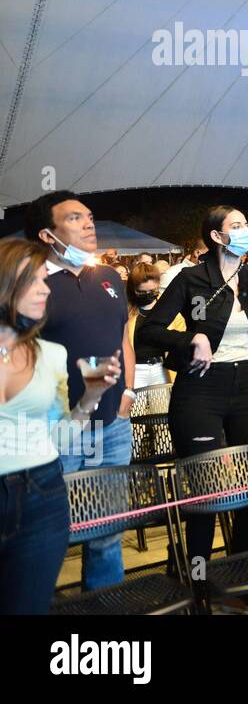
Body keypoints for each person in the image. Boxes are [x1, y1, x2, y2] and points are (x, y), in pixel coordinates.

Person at [138, 205, 248, 613]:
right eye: (236, 226)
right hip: (201, 388)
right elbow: (148, 331)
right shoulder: (190, 279)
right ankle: (199, 577)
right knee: (205, 486)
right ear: (217, 236)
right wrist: (192, 338)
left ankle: (239, 573)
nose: (245, 231)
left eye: (246, 223)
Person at [0, 240, 123, 614]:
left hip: (42, 493)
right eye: (33, 280)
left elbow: (61, 438)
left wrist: (90, 397)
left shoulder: (51, 355)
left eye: (44, 278)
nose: (45, 289)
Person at [25, 190, 135, 593]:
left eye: (89, 216)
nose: (89, 223)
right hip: (57, 432)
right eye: (74, 218)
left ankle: (104, 604)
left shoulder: (108, 278)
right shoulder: (32, 286)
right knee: (45, 534)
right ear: (47, 234)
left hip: (113, 425)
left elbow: (124, 337)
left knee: (107, 527)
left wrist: (127, 397)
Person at [127, 262, 169, 387]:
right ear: (133, 289)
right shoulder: (126, 310)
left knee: (162, 406)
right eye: (142, 292)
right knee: (134, 407)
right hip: (135, 369)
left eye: (152, 291)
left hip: (161, 367)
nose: (148, 295)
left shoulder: (168, 306)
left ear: (158, 286)